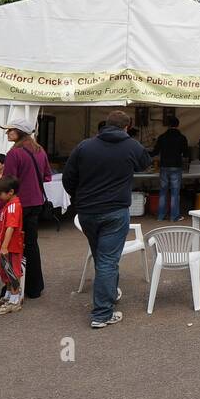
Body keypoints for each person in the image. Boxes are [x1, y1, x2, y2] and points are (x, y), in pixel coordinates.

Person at [63, 109, 152, 329]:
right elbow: (145, 163)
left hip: (87, 212)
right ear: (127, 126)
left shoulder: (84, 146)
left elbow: (68, 178)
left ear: (104, 125)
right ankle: (102, 314)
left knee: (101, 256)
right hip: (115, 211)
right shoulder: (131, 146)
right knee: (107, 260)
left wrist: (78, 198)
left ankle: (109, 293)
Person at [0, 117, 51, 300]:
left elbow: (7, 184)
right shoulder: (40, 150)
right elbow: (47, 176)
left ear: (19, 132)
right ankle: (35, 287)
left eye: (10, 130)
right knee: (31, 245)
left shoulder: (14, 153)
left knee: (13, 246)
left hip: (18, 204)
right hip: (36, 202)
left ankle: (12, 287)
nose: (7, 133)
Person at [0, 177, 25, 315]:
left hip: (11, 247)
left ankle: (14, 301)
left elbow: (11, 227)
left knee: (12, 272)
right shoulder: (8, 205)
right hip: (3, 245)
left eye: (0, 194)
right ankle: (8, 296)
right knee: (4, 272)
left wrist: (5, 246)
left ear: (10, 192)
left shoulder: (14, 206)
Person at [152, 115, 189, 221]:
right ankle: (174, 217)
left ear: (168, 125)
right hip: (176, 166)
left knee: (163, 192)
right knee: (175, 193)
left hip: (164, 166)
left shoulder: (162, 137)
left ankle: (160, 216)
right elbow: (186, 154)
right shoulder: (182, 138)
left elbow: (155, 151)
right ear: (178, 125)